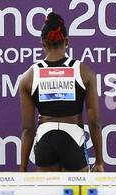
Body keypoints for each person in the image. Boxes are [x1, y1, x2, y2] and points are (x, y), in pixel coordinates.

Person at [18, 13, 104, 173]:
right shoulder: (83, 71)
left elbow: (28, 128)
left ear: (42, 43)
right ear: (67, 41)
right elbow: (94, 122)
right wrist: (99, 162)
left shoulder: (28, 76)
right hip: (73, 139)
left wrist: (22, 168)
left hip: (45, 140)